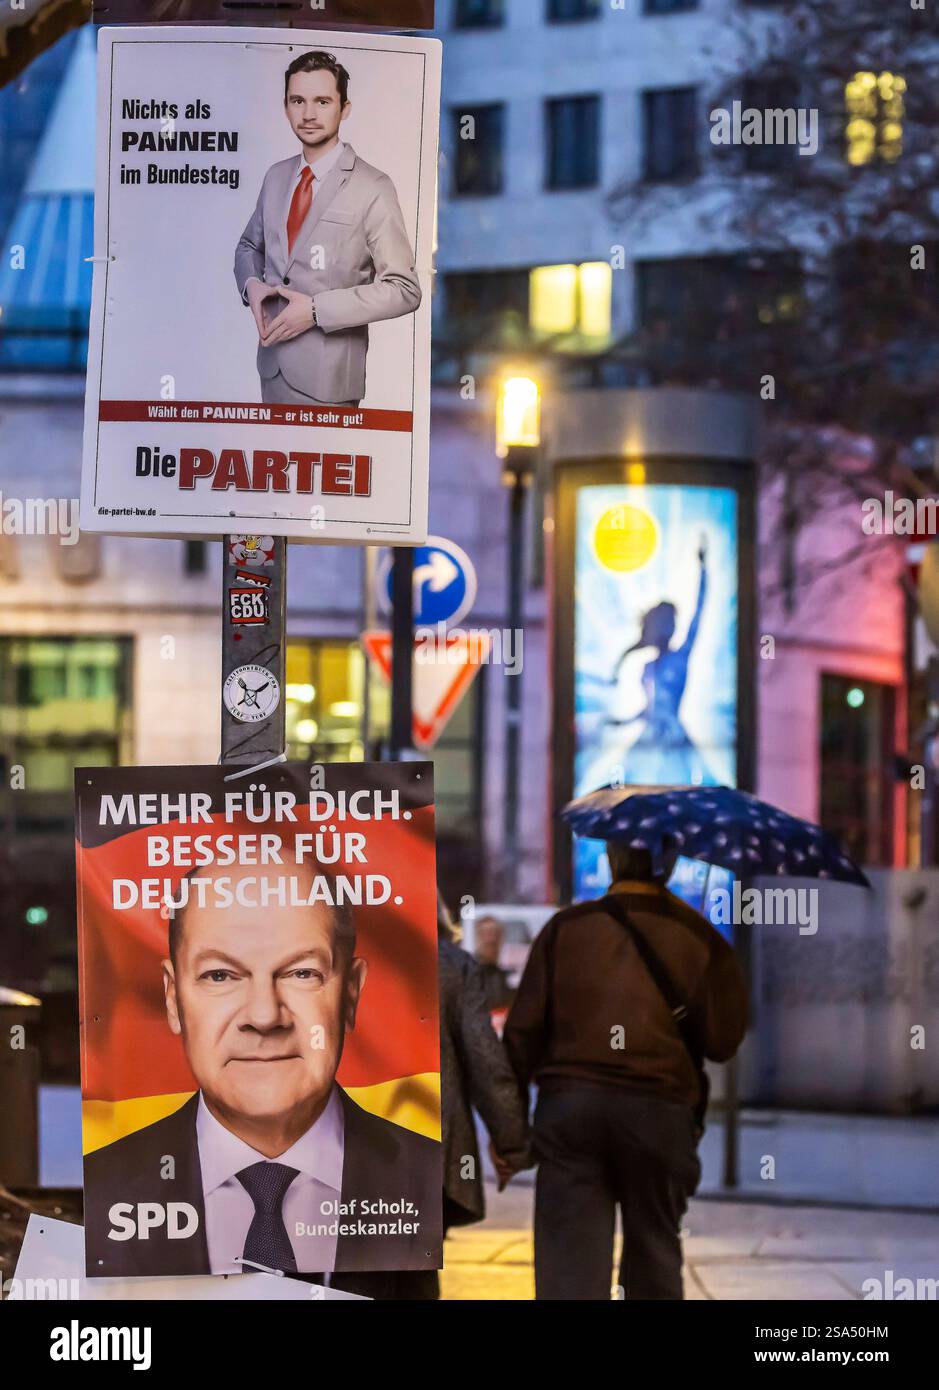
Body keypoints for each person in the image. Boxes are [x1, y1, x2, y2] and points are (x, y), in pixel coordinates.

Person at [83, 858, 441, 1278]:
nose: (265, 1015)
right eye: (220, 975)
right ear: (172, 998)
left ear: (351, 993)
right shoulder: (101, 1189)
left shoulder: (422, 1178)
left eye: (301, 972)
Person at [503, 842, 747, 1301]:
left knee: (568, 1268)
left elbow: (520, 1037)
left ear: (612, 860)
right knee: (655, 1253)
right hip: (659, 1114)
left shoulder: (566, 929)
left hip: (570, 1111)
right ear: (670, 865)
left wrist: (509, 1136)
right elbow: (723, 1042)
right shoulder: (697, 936)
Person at [331, 893, 530, 1300]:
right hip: (425, 1144)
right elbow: (485, 1060)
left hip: (344, 1146)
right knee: (417, 1273)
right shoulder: (453, 965)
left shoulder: (328, 956)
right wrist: (511, 1141)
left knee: (356, 1271)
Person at [233, 49, 422, 408]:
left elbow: (404, 289)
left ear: (344, 108)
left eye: (322, 101)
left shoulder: (373, 186)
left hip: (331, 384)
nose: (308, 114)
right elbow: (248, 246)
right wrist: (251, 285)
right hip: (271, 372)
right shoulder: (276, 176)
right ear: (285, 106)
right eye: (297, 100)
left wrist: (318, 310)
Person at [606, 537, 712, 785]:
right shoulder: (648, 667)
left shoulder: (680, 657)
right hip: (649, 743)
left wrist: (703, 570)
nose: (670, 627)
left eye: (671, 621)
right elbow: (649, 710)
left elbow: (698, 613)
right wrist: (622, 722)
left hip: (673, 743)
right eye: (665, 621)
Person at [473, 913, 515, 1012]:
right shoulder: (468, 974)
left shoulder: (508, 976)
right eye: (485, 934)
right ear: (477, 938)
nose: (491, 939)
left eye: (495, 934)